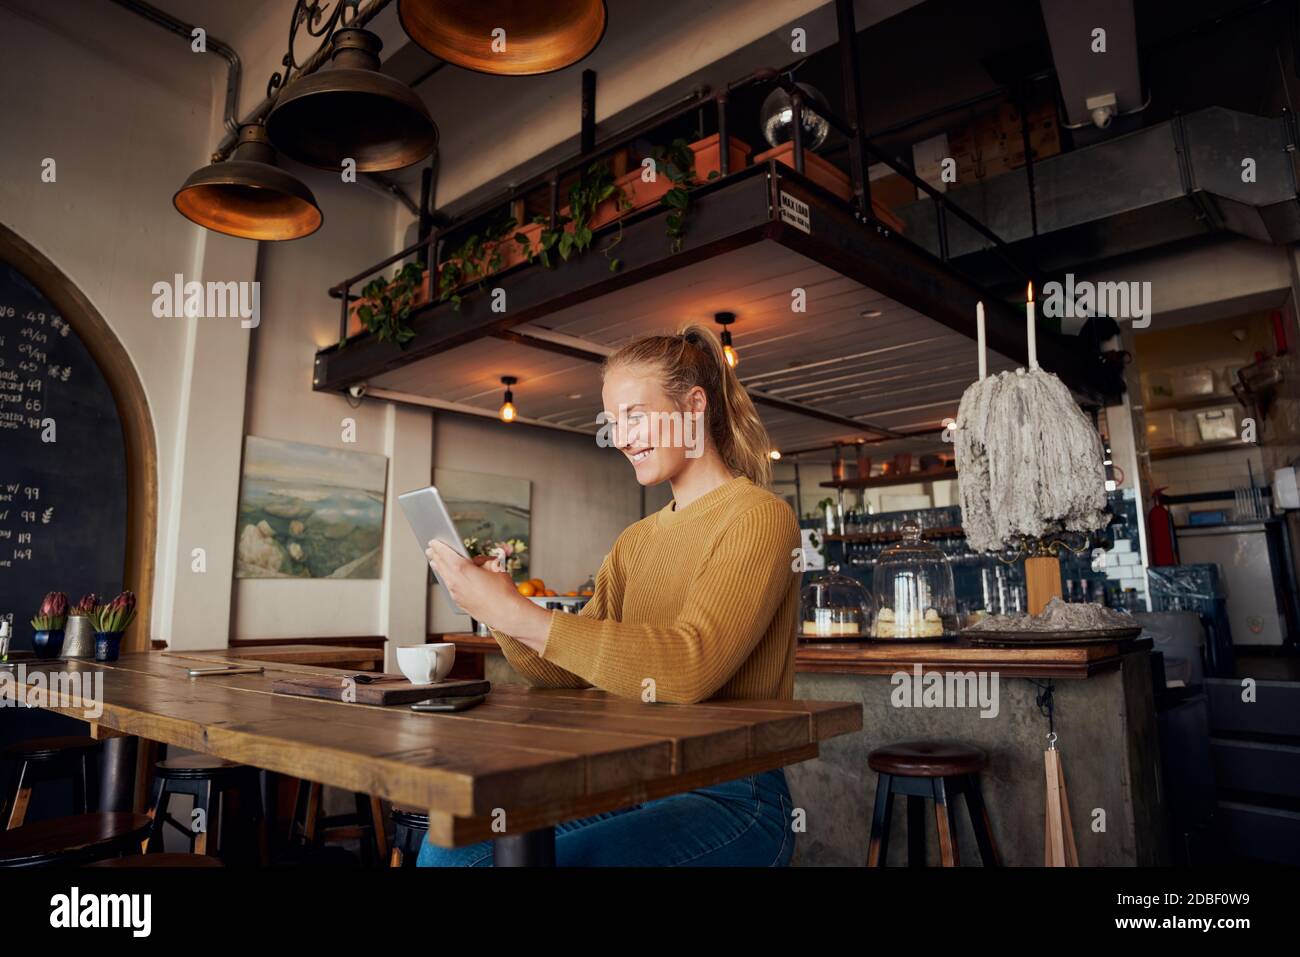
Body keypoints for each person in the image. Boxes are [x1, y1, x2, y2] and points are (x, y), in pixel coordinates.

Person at [421, 324, 801, 866]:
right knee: (448, 851)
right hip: (636, 778)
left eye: (635, 416)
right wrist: (497, 609)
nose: (620, 438)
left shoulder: (759, 518)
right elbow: (568, 672)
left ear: (694, 406)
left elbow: (690, 667)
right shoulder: (635, 541)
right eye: (613, 421)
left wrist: (512, 612)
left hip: (733, 793)